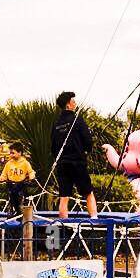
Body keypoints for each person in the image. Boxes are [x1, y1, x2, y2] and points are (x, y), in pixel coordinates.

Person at [51, 91, 98, 220]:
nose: (75, 103)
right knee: (88, 193)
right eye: (73, 101)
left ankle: (63, 225)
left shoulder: (56, 124)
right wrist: (87, 150)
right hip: (77, 163)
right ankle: (95, 221)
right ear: (68, 105)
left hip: (62, 164)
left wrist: (59, 159)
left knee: (64, 197)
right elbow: (87, 139)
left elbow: (53, 146)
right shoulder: (77, 119)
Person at [0, 142, 37, 216]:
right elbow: (4, 175)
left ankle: (21, 216)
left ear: (19, 153)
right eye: (10, 153)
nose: (11, 155)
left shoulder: (25, 163)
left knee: (21, 204)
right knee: (12, 202)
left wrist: (32, 177)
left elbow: (30, 172)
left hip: (21, 186)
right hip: (10, 186)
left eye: (13, 153)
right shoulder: (9, 164)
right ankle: (11, 216)